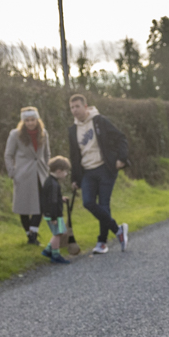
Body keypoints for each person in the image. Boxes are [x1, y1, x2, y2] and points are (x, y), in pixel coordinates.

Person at [66, 93, 130, 255]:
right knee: (88, 202)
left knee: (103, 204)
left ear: (85, 106)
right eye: (72, 107)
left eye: (77, 106)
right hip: (87, 171)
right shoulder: (73, 130)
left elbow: (121, 138)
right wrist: (75, 178)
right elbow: (74, 155)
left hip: (105, 169)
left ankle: (101, 242)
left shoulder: (100, 121)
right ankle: (118, 230)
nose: (74, 110)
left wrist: (121, 159)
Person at [5, 107, 51, 245]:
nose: (30, 123)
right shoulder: (15, 134)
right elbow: (8, 155)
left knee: (41, 204)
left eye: (33, 120)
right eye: (27, 120)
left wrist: (47, 169)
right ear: (23, 122)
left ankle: (33, 232)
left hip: (41, 173)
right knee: (23, 205)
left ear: (37, 120)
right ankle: (29, 235)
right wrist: (12, 172)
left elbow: (47, 153)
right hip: (23, 174)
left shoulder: (43, 133)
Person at [38, 156, 74, 265]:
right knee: (58, 234)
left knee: (59, 232)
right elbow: (52, 202)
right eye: (65, 172)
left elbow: (50, 197)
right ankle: (55, 255)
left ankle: (48, 250)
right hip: (54, 214)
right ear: (58, 171)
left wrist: (60, 198)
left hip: (50, 213)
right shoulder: (54, 184)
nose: (66, 174)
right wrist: (53, 217)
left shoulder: (49, 181)